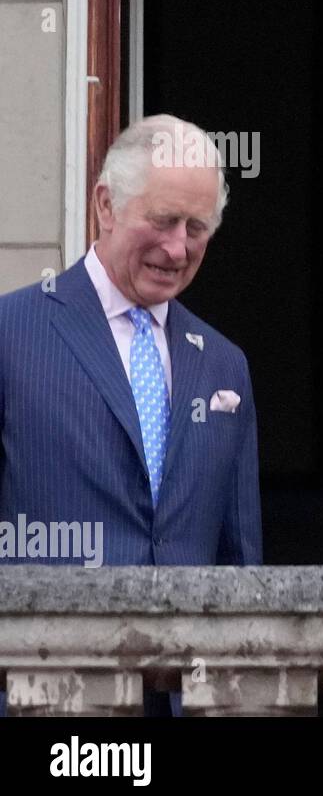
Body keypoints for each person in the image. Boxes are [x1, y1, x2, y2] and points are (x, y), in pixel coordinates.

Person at [0, 114, 262, 566]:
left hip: (189, 635)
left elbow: (241, 564)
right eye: (163, 220)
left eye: (196, 228)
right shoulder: (12, 333)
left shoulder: (224, 364)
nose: (178, 248)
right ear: (107, 206)